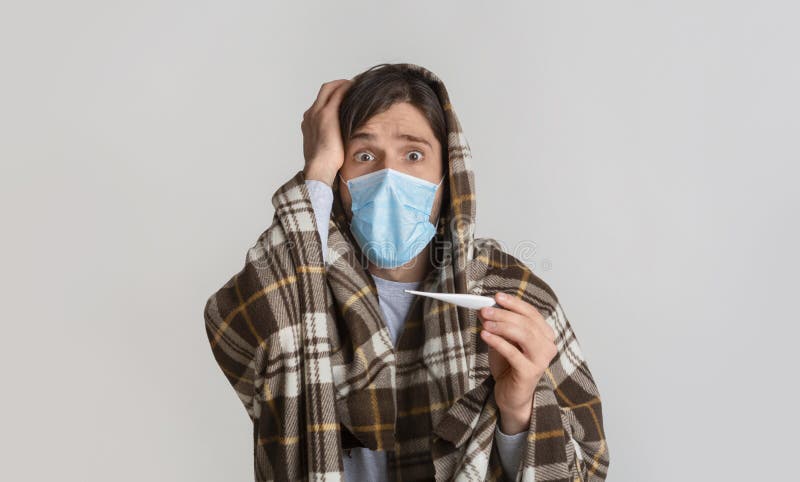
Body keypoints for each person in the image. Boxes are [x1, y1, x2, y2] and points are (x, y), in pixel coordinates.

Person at [204, 63, 609, 482]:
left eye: (413, 155)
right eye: (364, 156)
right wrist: (317, 170)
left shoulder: (509, 297)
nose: (388, 177)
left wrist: (519, 407)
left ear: (448, 174)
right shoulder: (300, 282)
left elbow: (586, 470)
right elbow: (242, 323)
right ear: (340, 177)